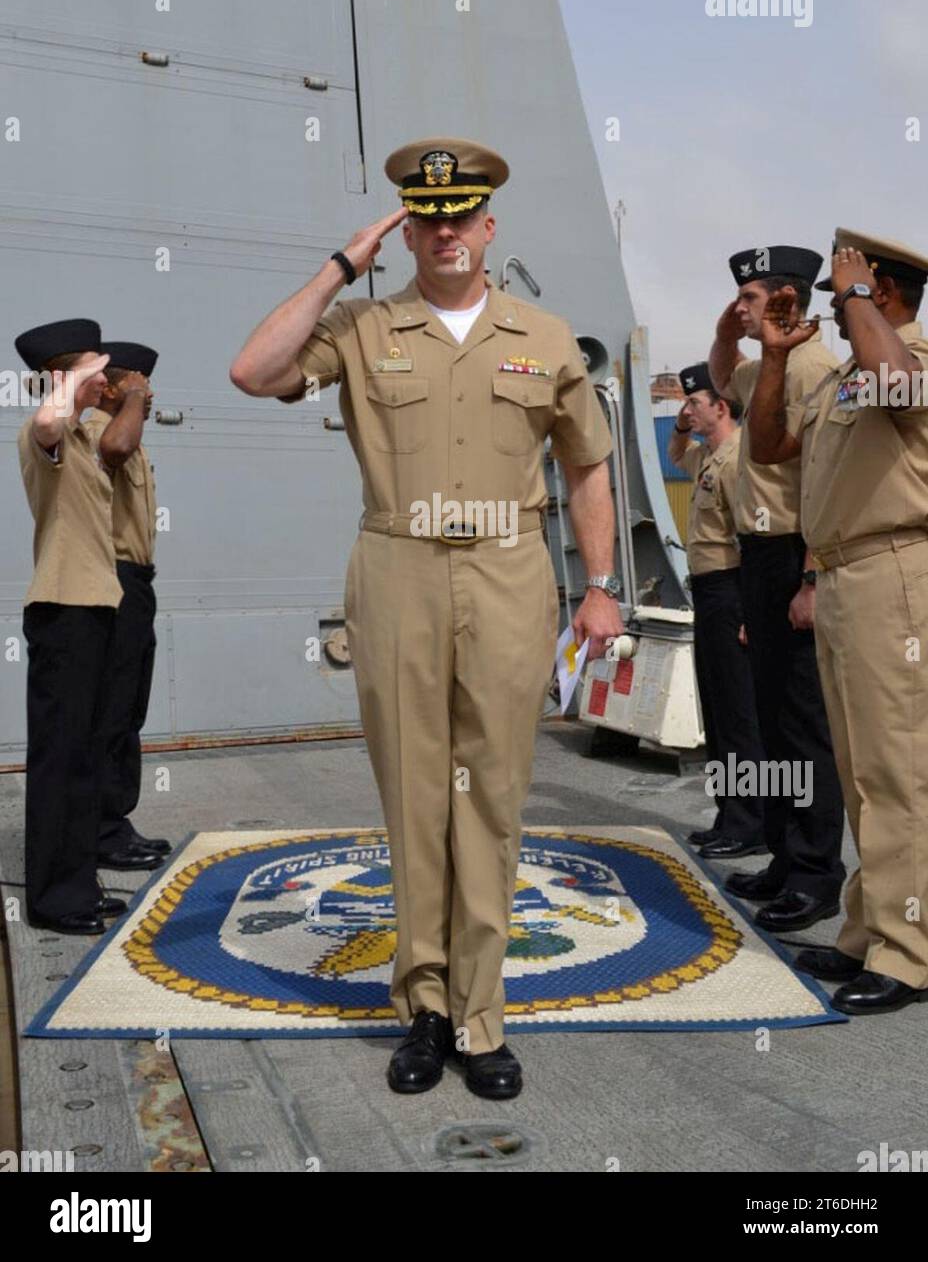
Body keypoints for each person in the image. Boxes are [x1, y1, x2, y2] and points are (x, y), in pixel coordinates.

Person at [230, 137, 623, 1097]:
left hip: (507, 570)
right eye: (427, 218)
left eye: (462, 217)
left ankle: (482, 1015)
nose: (446, 232)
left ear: (490, 228)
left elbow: (586, 467)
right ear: (408, 230)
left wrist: (604, 586)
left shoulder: (545, 336)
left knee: (490, 794)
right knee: (414, 796)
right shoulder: (364, 328)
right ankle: (426, 1006)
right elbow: (253, 370)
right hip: (397, 567)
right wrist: (338, 268)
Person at [747, 229, 928, 1015]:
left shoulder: (907, 362)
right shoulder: (841, 381)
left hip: (898, 571)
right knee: (858, 770)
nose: (832, 302)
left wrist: (853, 294)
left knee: (899, 772)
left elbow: (898, 380)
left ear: (882, 292)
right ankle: (867, 929)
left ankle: (912, 952)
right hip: (845, 575)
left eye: (847, 289)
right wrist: (779, 356)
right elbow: (767, 446)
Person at [708, 247, 846, 934]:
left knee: (803, 725)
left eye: (753, 298)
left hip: (798, 553)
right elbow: (722, 379)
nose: (741, 305)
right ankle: (785, 860)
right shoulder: (767, 364)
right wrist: (730, 332)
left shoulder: (817, 369)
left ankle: (818, 874)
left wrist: (814, 575)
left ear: (790, 300)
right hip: (759, 557)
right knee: (770, 721)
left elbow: (829, 477)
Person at [14, 320, 127, 935]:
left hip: (95, 606)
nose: (104, 379)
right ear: (63, 376)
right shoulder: (44, 434)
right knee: (59, 759)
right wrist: (77, 379)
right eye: (93, 369)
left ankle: (79, 884)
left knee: (84, 756)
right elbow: (48, 424)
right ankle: (54, 899)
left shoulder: (85, 439)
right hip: (64, 612)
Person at [669, 363, 765, 859]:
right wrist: (685, 426)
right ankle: (730, 814)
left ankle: (751, 822)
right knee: (718, 711)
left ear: (721, 407)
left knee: (739, 713)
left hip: (731, 592)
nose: (687, 411)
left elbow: (749, 543)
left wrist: (751, 613)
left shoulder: (735, 462)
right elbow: (675, 453)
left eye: (694, 405)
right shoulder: (708, 456)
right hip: (708, 592)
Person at [85, 343, 169, 872]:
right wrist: (133, 399)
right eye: (139, 382)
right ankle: (100, 830)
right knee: (111, 708)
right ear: (114, 389)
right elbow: (112, 449)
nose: (150, 391)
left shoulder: (127, 434)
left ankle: (115, 822)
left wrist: (134, 401)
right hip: (111, 580)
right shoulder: (99, 429)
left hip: (135, 583)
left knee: (128, 708)